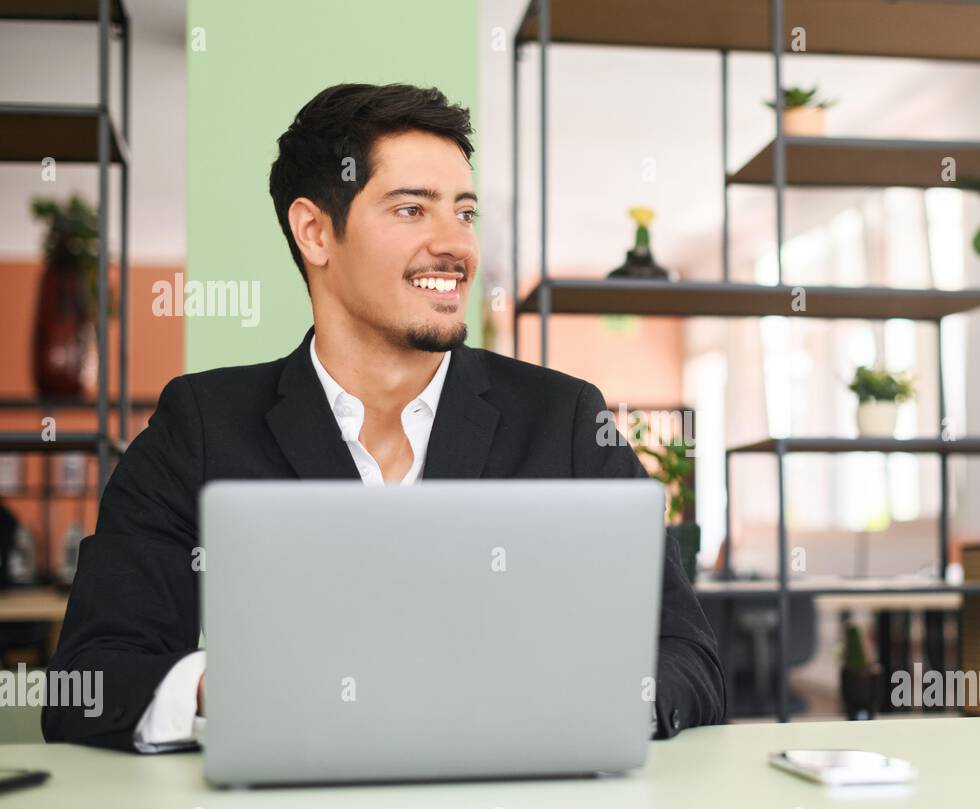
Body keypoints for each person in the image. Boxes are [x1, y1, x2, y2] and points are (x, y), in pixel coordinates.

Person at [42, 83, 726, 753]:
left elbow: (690, 659)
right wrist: (220, 689)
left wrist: (574, 701)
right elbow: (86, 680)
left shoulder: (566, 418)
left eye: (463, 211)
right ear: (315, 232)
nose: (454, 245)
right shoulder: (200, 425)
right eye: (411, 210)